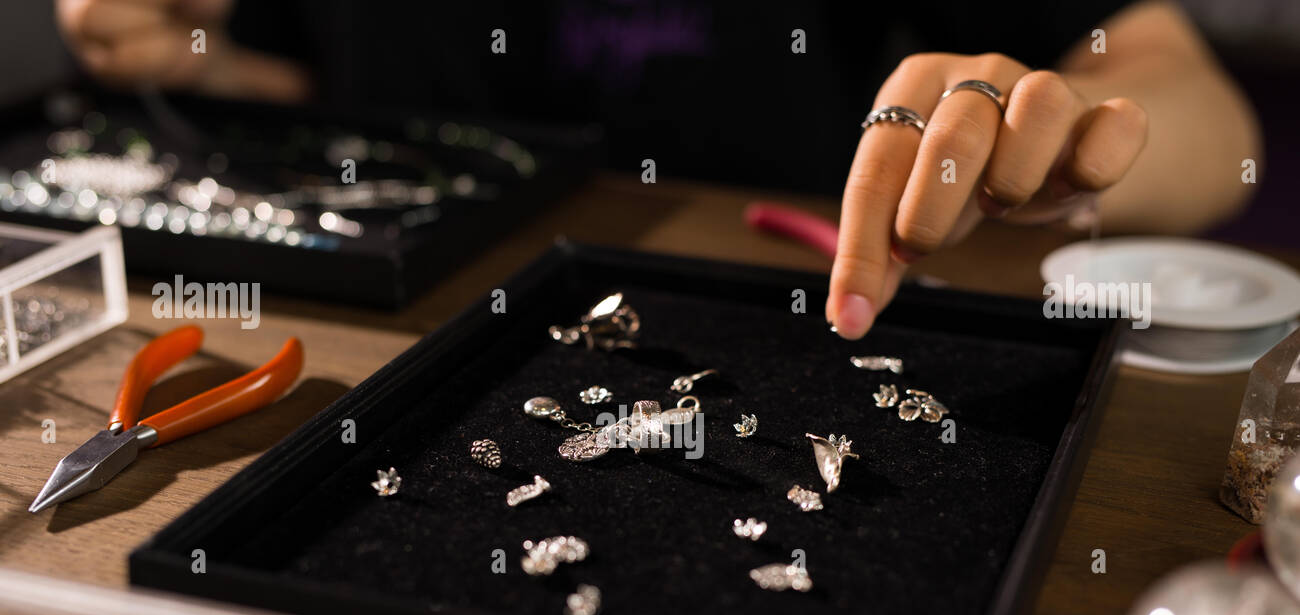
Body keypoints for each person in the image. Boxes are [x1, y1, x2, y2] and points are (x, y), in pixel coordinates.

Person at [54, 0, 1261, 339]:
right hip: (399, 327)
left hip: (795, 307)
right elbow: (322, 76)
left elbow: (1205, 114)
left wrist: (1065, 146)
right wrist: (196, 46)